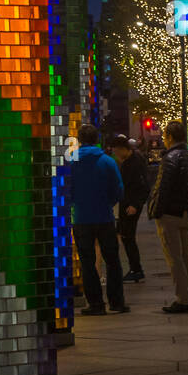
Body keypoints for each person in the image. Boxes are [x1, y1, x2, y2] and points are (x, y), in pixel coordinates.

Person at [70, 124, 128, 315]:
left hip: (81, 217)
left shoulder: (71, 162)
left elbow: (65, 191)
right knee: (112, 260)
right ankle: (116, 302)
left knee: (87, 262)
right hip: (104, 217)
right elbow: (118, 190)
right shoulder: (108, 162)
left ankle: (95, 303)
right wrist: (108, 203)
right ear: (97, 140)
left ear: (79, 140)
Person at [148, 120, 188, 314]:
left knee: (174, 258)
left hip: (170, 214)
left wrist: (155, 210)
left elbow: (163, 188)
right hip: (187, 213)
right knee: (186, 257)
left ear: (169, 137)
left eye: (165, 136)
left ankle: (183, 299)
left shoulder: (170, 159)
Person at [111, 135, 149, 283]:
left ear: (121, 149)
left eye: (116, 151)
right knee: (126, 235)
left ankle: (136, 269)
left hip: (130, 206)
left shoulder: (134, 163)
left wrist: (135, 204)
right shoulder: (130, 161)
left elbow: (143, 186)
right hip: (127, 204)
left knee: (128, 236)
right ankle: (135, 268)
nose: (116, 155)